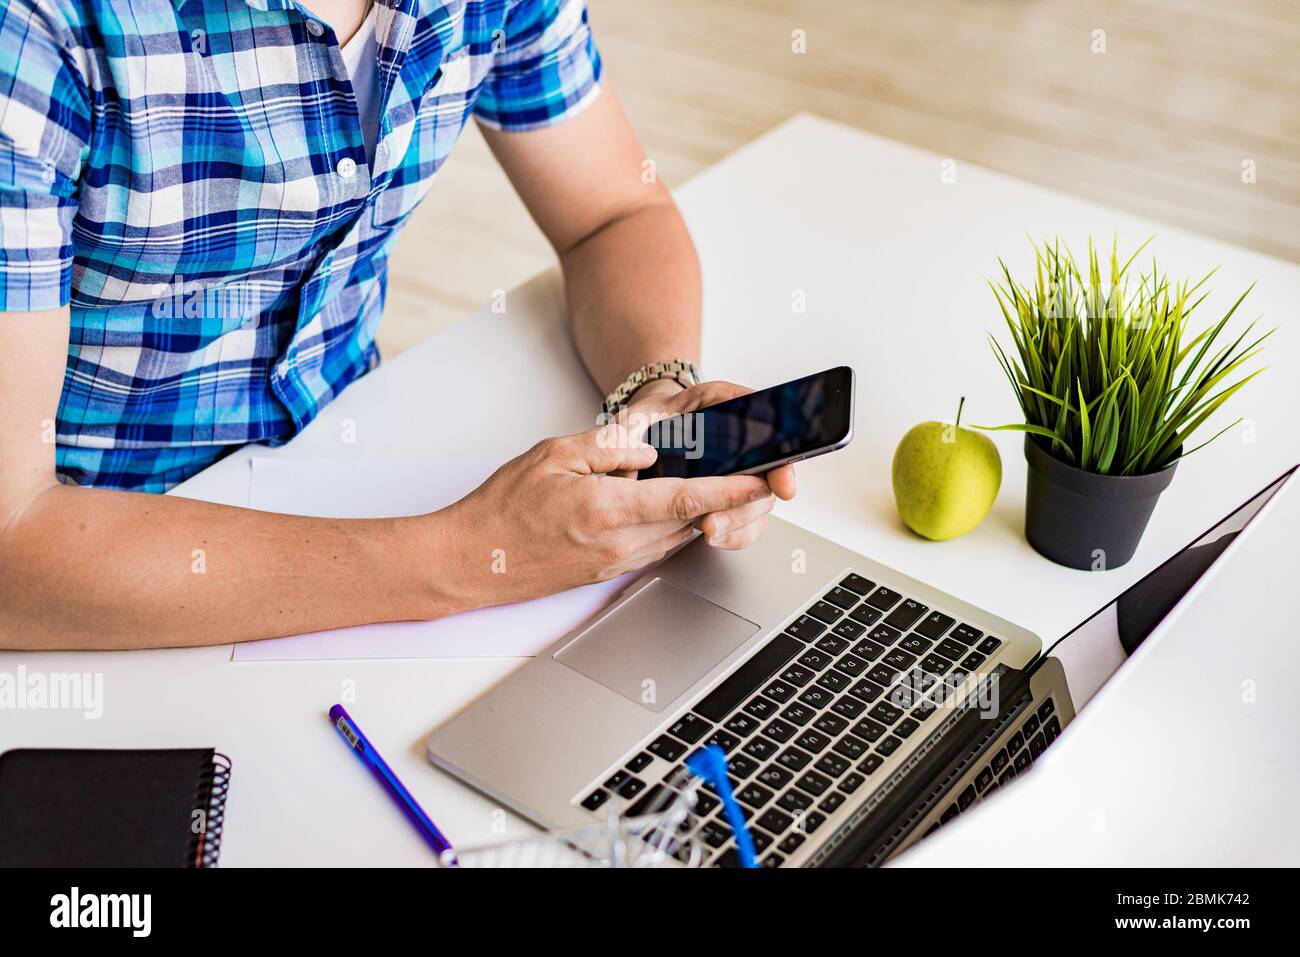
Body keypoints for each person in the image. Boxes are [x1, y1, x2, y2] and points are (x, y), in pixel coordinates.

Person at [0, 0, 794, 650]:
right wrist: (469, 556)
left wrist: (657, 390)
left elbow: (614, 213)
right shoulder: (33, 31)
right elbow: (11, 542)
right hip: (99, 569)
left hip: (354, 468)